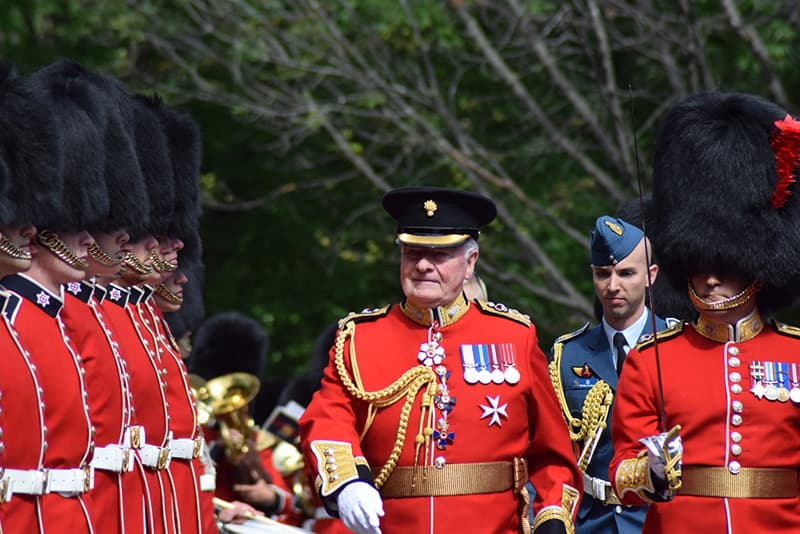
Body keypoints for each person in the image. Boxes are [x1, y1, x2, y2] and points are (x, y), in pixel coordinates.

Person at [299, 186, 582, 534]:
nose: (422, 265)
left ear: (470, 262)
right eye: (412, 253)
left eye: (439, 254)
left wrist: (552, 516)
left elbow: (554, 452)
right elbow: (326, 419)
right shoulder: (359, 338)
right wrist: (347, 482)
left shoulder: (514, 336)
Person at [609, 92, 800, 532]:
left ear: (756, 267)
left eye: (725, 266)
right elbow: (621, 473)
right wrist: (648, 471)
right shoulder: (651, 359)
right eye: (698, 265)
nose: (710, 279)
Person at [548, 215, 669, 533]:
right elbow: (551, 450)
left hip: (658, 518)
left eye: (626, 273)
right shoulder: (567, 355)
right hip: (591, 520)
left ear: (650, 276)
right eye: (603, 274)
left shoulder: (679, 347)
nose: (613, 286)